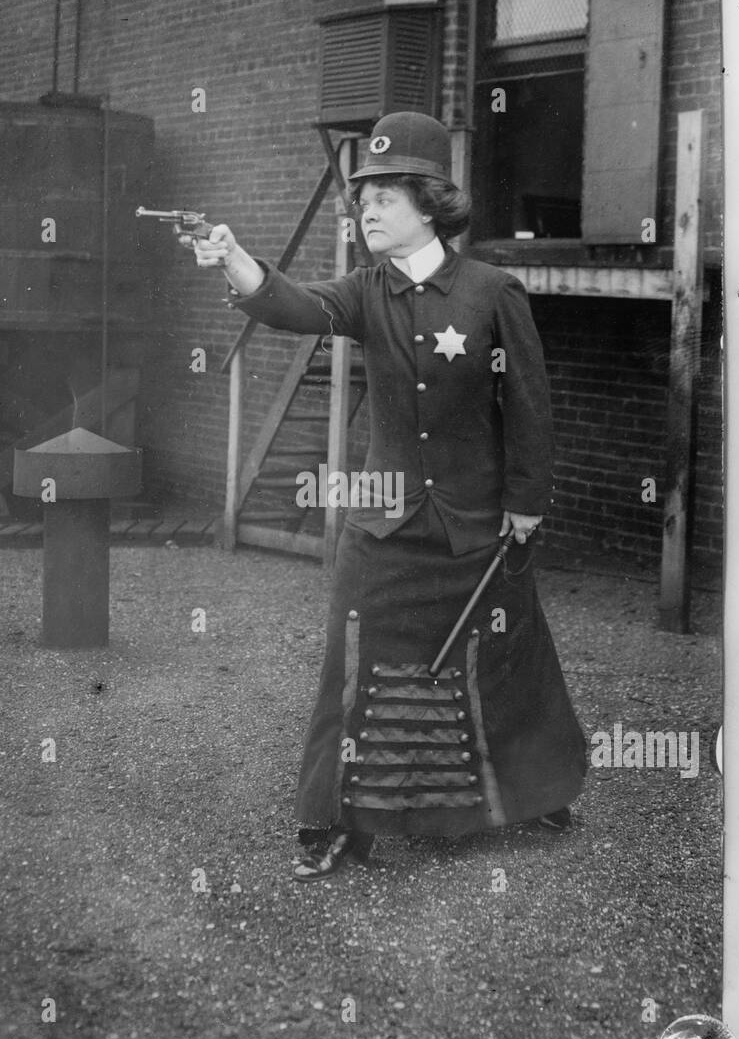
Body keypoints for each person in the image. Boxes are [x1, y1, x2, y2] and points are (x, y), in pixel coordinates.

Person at [181, 112, 587, 881]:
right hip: (385, 522)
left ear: (430, 204)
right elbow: (294, 306)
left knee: (503, 657)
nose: (365, 211)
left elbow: (530, 406)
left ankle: (536, 790)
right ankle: (334, 822)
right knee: (354, 664)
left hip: (478, 522)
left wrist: (527, 502)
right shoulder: (363, 293)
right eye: (360, 199)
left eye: (383, 198)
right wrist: (233, 258)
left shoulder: (494, 292)